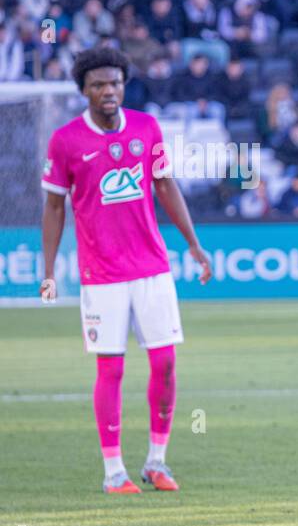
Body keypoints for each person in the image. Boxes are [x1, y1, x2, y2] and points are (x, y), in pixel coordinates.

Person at [39, 47, 212, 495]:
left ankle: (157, 461)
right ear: (84, 90)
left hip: (152, 267)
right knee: (111, 370)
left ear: (123, 85)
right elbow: (54, 207)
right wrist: (49, 269)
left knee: (166, 364)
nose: (108, 91)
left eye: (114, 83)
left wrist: (193, 245)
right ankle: (113, 469)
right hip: (102, 274)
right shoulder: (66, 141)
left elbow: (165, 185)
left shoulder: (146, 127)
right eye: (98, 85)